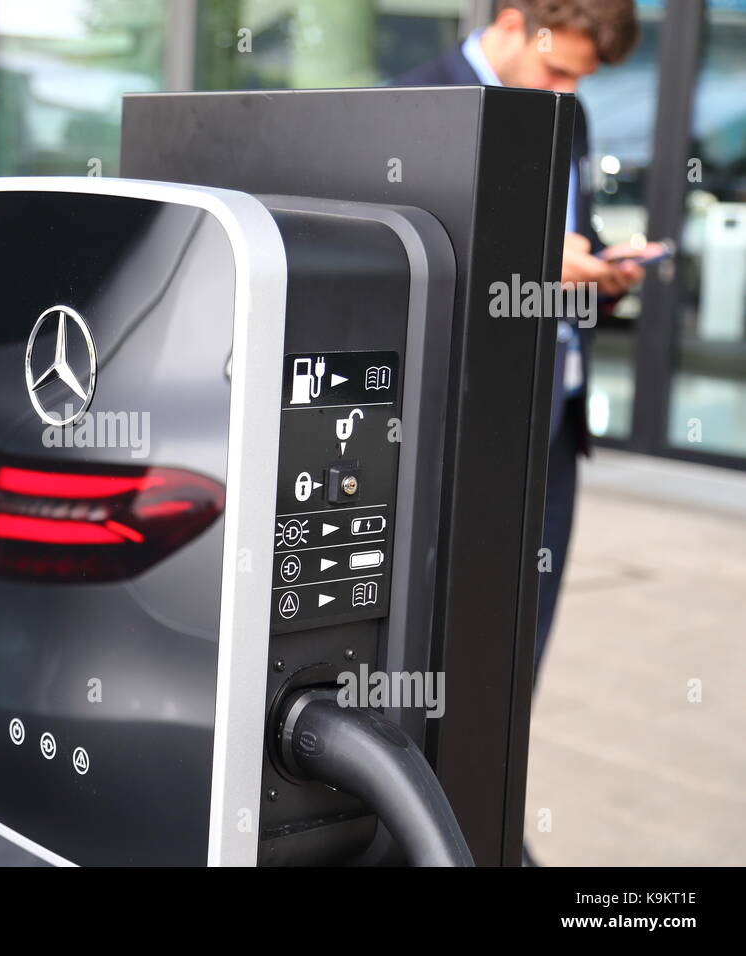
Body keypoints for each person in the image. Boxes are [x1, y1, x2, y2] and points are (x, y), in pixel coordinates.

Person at [395, 0, 647, 866]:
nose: (568, 92)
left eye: (580, 78)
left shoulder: (561, 117)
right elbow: (425, 266)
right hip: (475, 430)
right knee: (452, 647)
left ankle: (485, 812)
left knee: (520, 648)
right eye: (558, 70)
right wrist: (542, 257)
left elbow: (569, 241)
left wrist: (602, 273)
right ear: (512, 22)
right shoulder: (418, 104)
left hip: (555, 424)